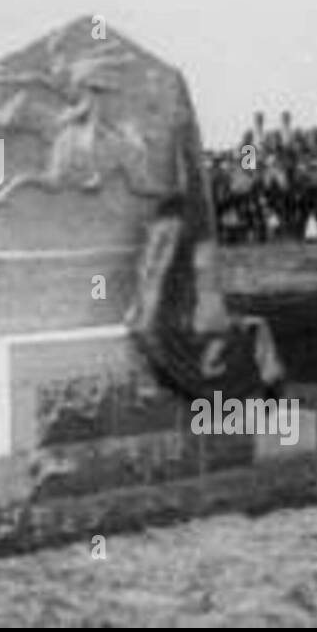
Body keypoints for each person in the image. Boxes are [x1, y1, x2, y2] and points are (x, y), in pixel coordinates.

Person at [124, 68, 285, 404]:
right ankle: (260, 383)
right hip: (175, 245)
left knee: (173, 324)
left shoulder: (184, 153)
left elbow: (212, 183)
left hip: (183, 240)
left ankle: (258, 387)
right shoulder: (160, 147)